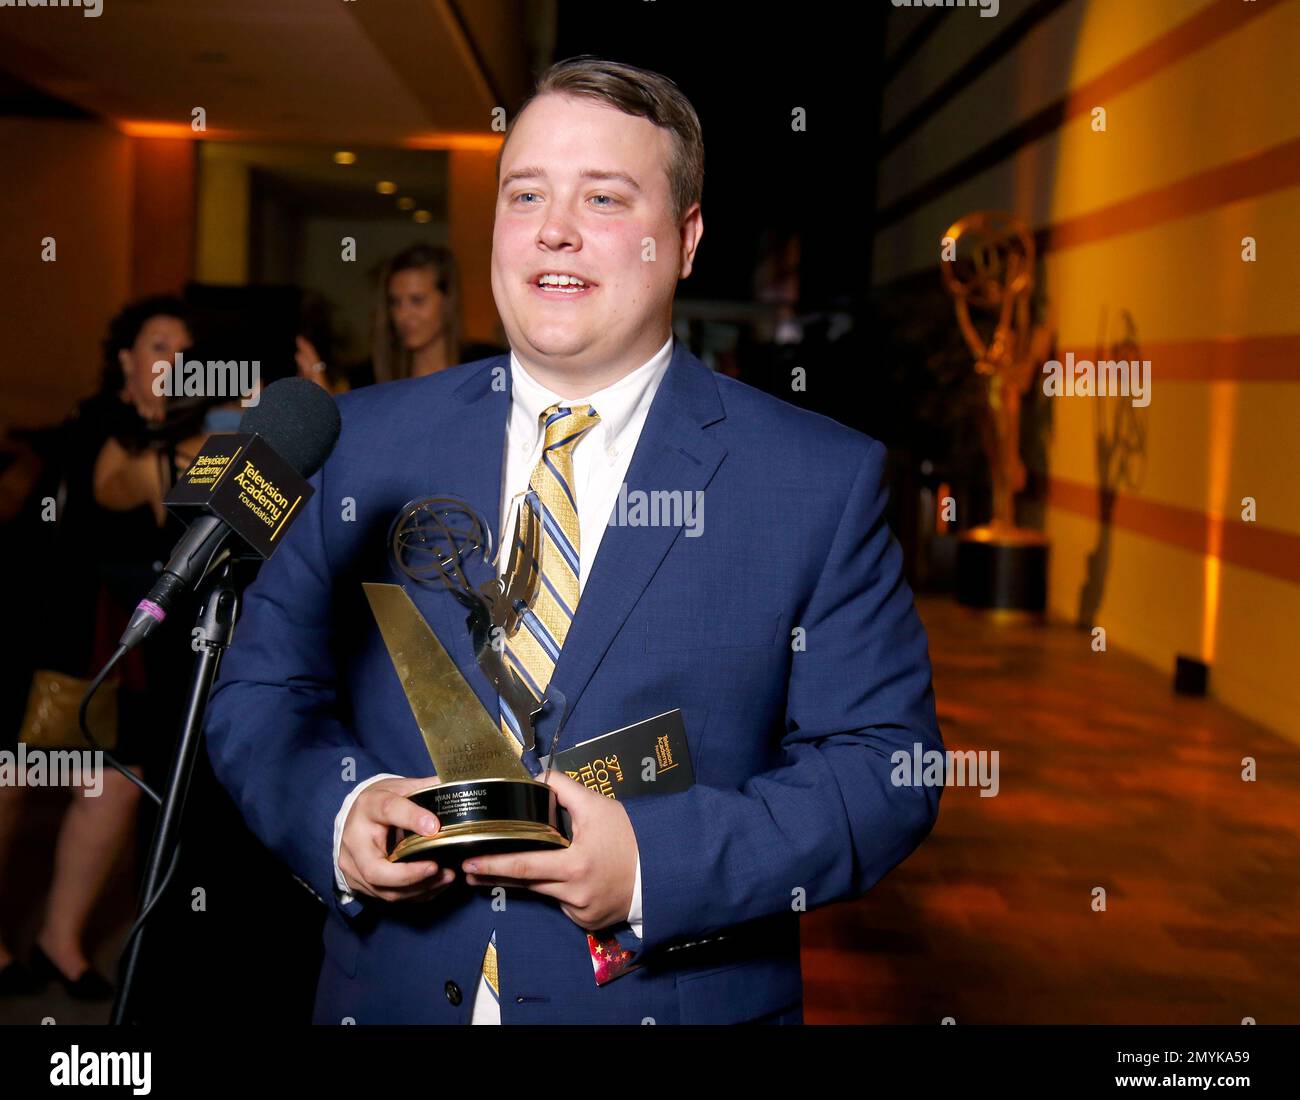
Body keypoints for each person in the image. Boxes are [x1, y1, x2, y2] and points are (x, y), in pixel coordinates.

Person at [205, 56, 945, 1025]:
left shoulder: (816, 479)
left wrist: (650, 862)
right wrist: (340, 811)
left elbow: (884, 767)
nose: (554, 227)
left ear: (684, 240)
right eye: (526, 194)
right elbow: (261, 691)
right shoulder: (358, 443)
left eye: (603, 196)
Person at [0, 296, 199, 1000]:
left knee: (112, 785)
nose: (170, 360)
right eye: (155, 345)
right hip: (45, 627)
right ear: (124, 358)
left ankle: (61, 938)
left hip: (126, 644)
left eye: (182, 348)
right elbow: (121, 488)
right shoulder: (100, 424)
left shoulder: (187, 430)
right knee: (14, 776)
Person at [295, 244, 463, 391]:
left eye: (417, 300)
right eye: (395, 302)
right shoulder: (368, 378)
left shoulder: (481, 370)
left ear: (447, 300)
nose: (402, 314)